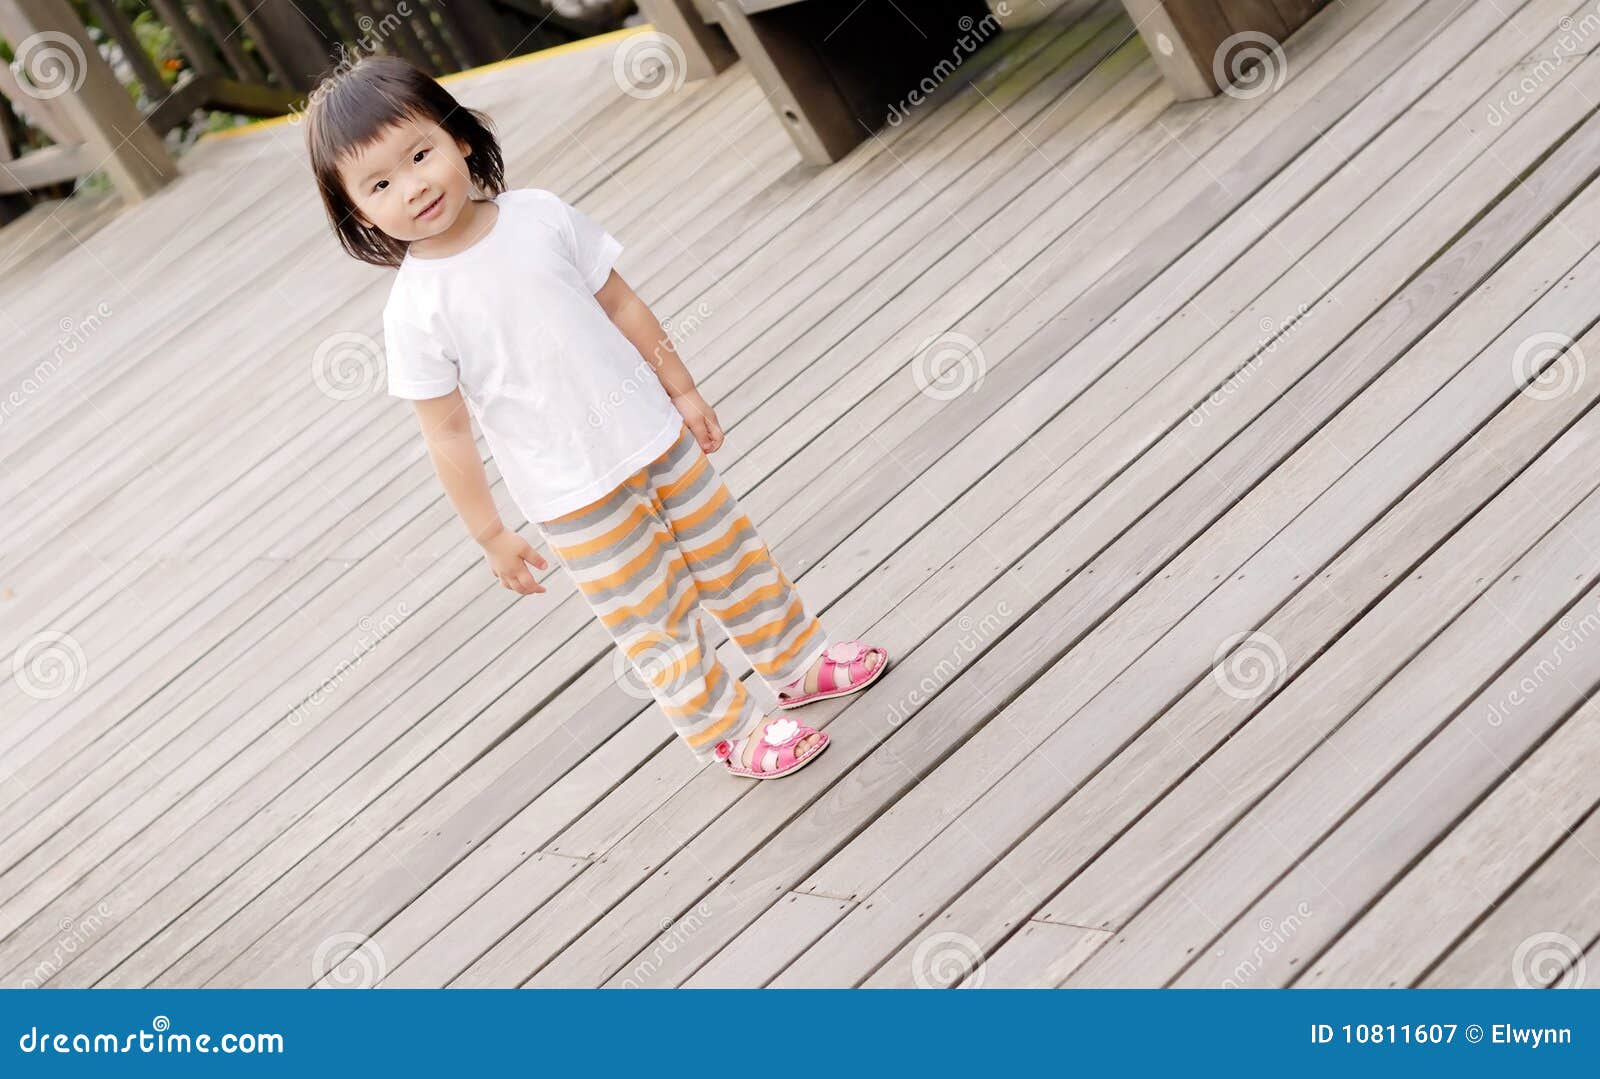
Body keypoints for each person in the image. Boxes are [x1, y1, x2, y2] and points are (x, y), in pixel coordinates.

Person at [303, 55, 887, 779]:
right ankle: (729, 730)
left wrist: (682, 389)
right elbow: (446, 431)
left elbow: (622, 303)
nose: (413, 185)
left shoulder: (538, 215)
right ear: (358, 213)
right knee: (656, 619)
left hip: (655, 438)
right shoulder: (417, 311)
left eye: (419, 154)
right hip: (576, 496)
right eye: (380, 184)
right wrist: (490, 533)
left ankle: (796, 661)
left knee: (735, 559)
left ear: (458, 137)